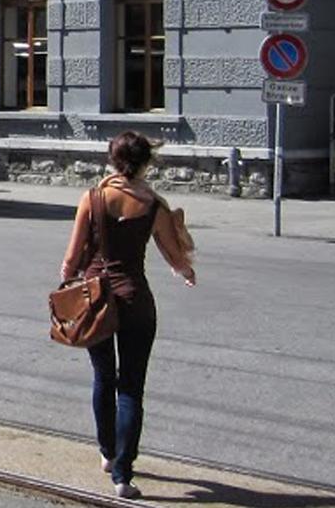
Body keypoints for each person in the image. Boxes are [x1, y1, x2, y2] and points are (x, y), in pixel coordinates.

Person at [60, 131, 197, 501]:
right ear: (146, 163)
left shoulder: (92, 197)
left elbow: (71, 259)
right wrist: (186, 273)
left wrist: (68, 280)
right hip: (136, 301)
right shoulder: (153, 205)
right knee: (131, 387)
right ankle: (123, 474)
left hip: (96, 300)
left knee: (103, 377)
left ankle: (107, 453)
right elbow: (174, 256)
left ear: (112, 160)